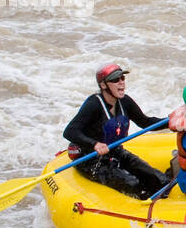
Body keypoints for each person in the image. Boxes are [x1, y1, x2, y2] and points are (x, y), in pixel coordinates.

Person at [62, 63, 170, 199]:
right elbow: (70, 131)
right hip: (90, 159)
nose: (121, 83)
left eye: (122, 78)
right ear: (103, 85)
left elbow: (145, 122)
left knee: (159, 179)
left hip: (115, 151)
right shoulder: (93, 105)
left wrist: (170, 122)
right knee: (136, 185)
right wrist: (95, 144)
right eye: (115, 80)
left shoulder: (125, 101)